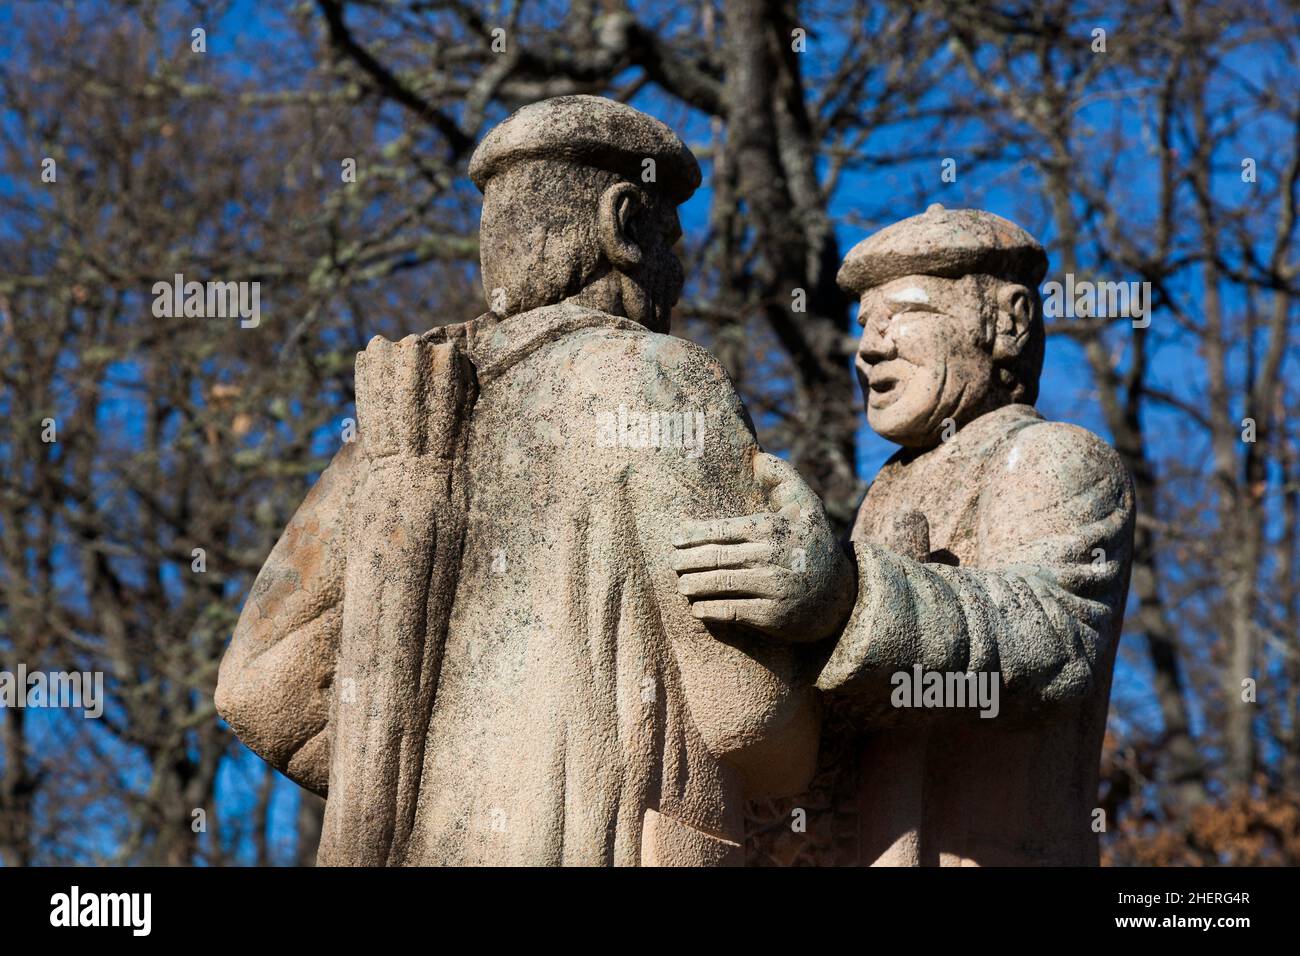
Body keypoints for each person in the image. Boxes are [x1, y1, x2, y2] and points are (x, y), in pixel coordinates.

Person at [674, 205, 1136, 865]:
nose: (870, 348)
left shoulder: (1051, 456)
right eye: (865, 322)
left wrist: (849, 600)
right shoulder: (887, 488)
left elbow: (1055, 643)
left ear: (1009, 322)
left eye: (906, 313)